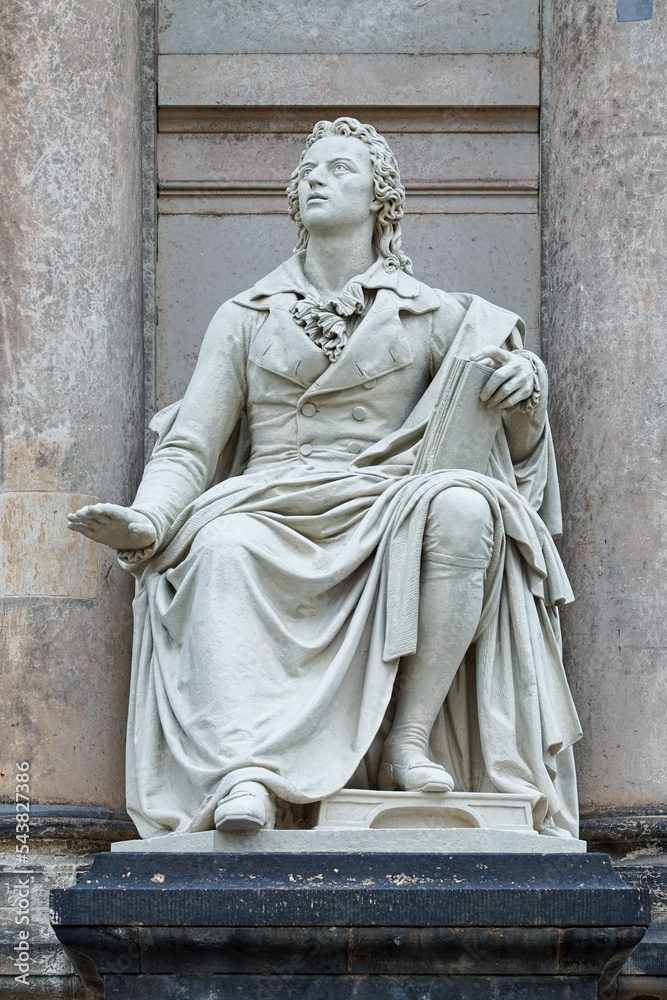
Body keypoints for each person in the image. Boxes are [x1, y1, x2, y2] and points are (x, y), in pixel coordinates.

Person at [68, 118, 581, 839]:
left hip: (385, 497)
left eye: (337, 168)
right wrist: (149, 520)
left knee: (465, 508)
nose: (313, 178)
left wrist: (522, 389)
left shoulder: (435, 315)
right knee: (220, 547)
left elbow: (512, 444)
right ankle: (243, 773)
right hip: (268, 496)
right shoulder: (245, 315)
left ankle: (409, 738)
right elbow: (191, 444)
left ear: (381, 198)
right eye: (306, 170)